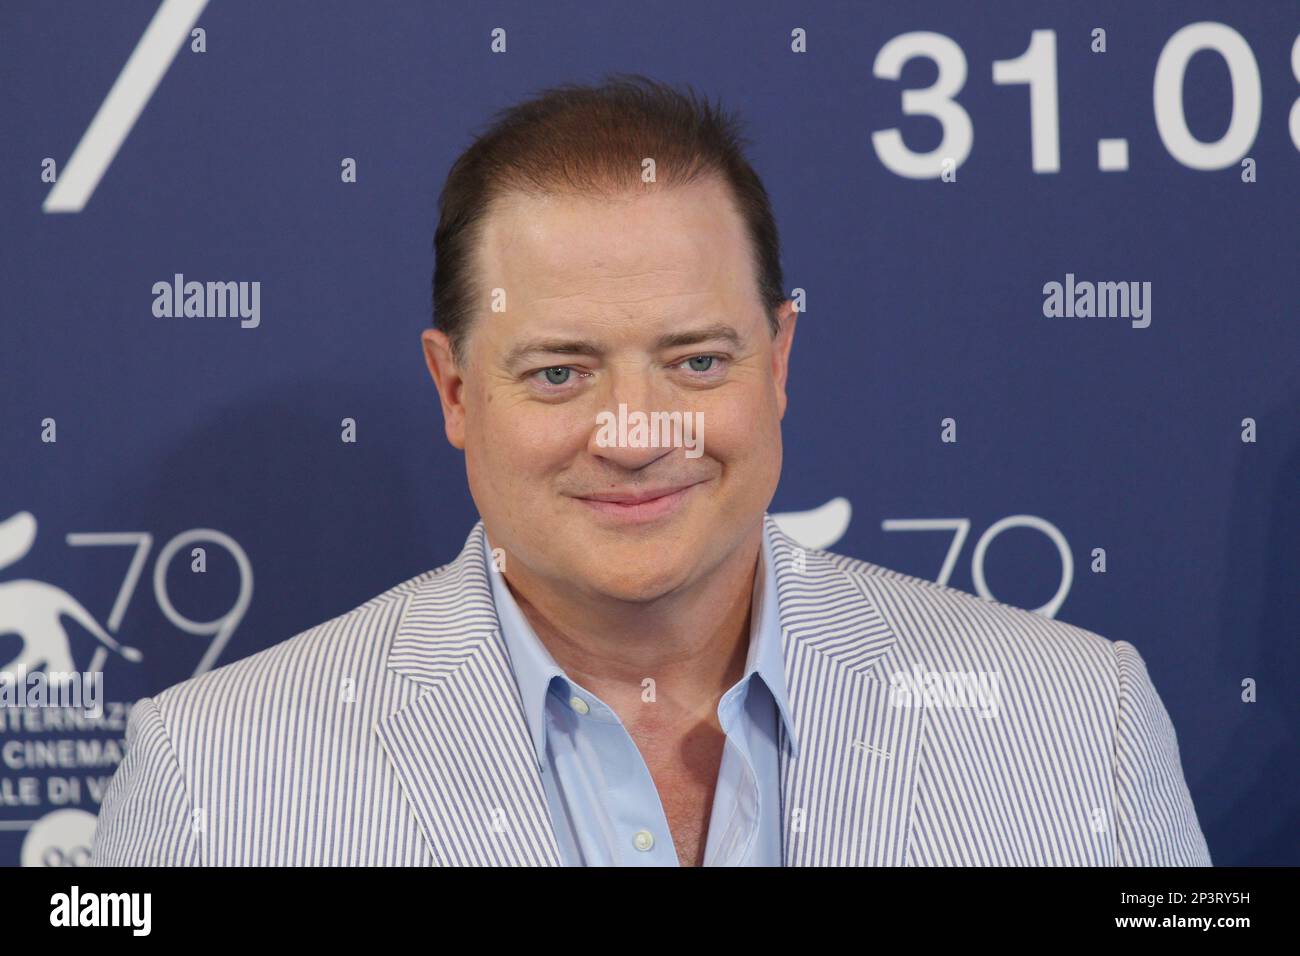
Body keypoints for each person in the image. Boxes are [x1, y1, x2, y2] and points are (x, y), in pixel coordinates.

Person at [92, 75, 1211, 866]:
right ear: (454, 392)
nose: (633, 431)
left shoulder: (1078, 722)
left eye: (694, 359)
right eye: (560, 372)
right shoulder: (211, 776)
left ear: (778, 363)